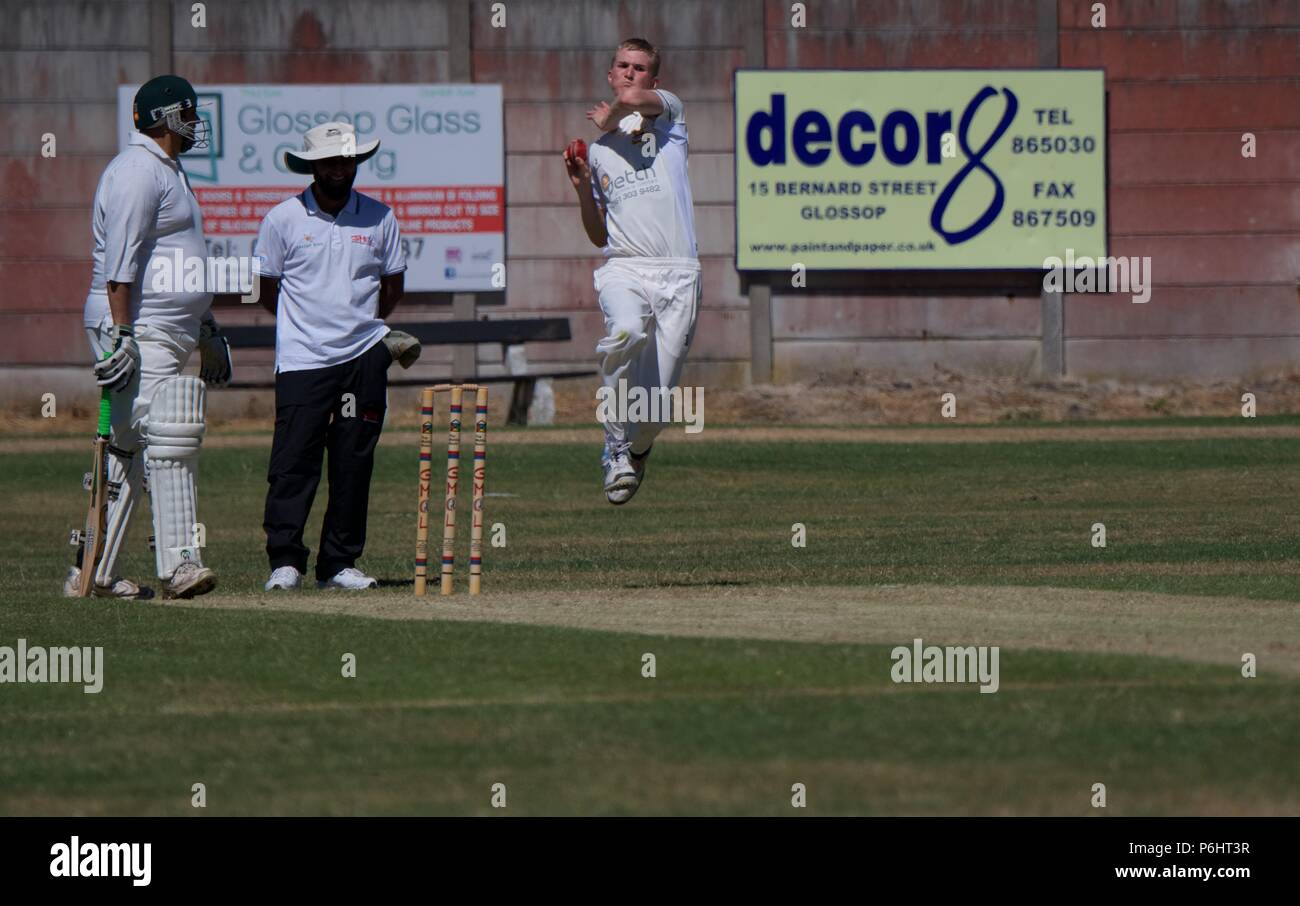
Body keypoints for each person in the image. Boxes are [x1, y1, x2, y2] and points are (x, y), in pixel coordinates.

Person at [66, 73, 227, 600]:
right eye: (189, 112)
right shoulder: (137, 170)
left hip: (167, 328)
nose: (196, 122)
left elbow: (176, 261)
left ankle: (91, 573)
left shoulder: (167, 168)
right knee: (170, 430)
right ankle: (181, 563)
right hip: (139, 326)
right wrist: (124, 336)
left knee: (129, 449)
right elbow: (121, 263)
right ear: (166, 117)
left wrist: (204, 327)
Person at [253, 122, 410, 591]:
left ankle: (339, 563)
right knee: (292, 463)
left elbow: (393, 282)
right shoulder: (283, 218)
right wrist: (305, 326)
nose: (339, 168)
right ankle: (286, 562)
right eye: (329, 161)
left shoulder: (380, 217)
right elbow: (265, 288)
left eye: (346, 160)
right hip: (302, 360)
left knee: (352, 460)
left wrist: (361, 331)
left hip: (362, 358)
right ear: (312, 166)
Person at [562, 37, 700, 505]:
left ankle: (638, 449)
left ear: (654, 81)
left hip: (678, 273)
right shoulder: (599, 152)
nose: (628, 74)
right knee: (624, 332)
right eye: (621, 66)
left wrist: (615, 113)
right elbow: (599, 236)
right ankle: (616, 445)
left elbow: (631, 102)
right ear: (610, 72)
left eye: (639, 68)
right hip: (625, 267)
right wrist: (583, 189)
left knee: (657, 406)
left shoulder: (673, 119)